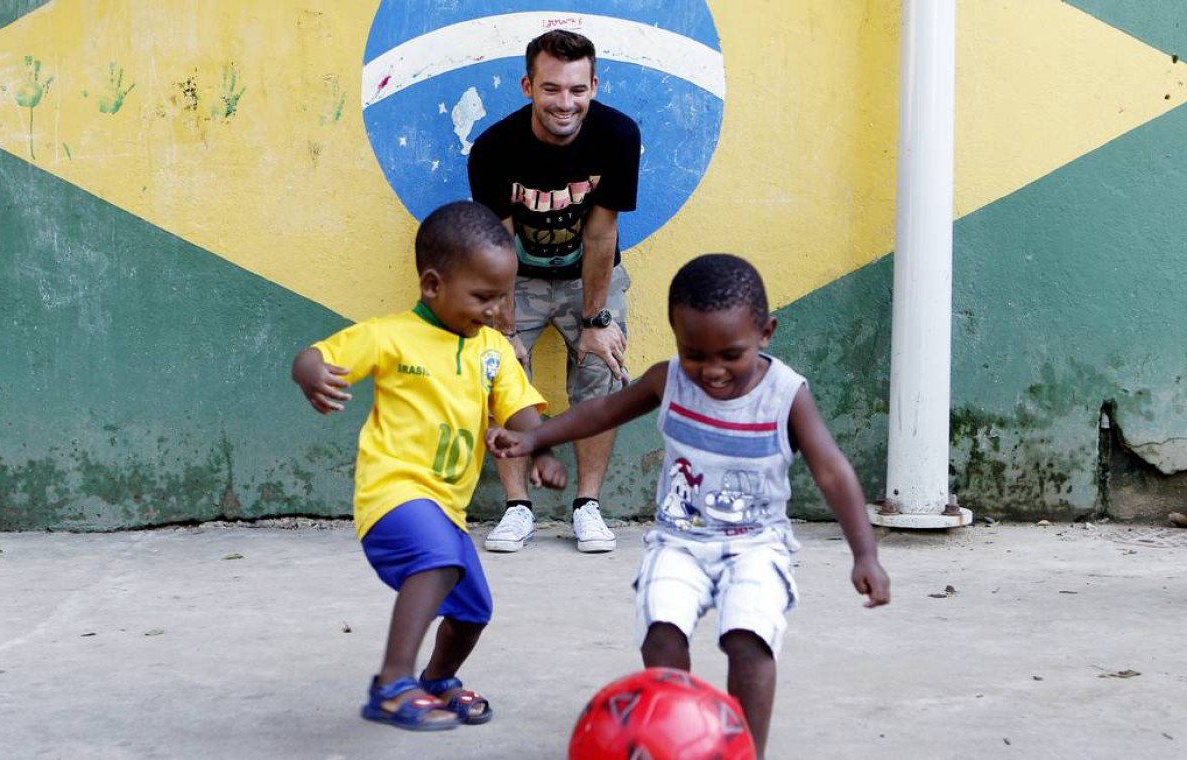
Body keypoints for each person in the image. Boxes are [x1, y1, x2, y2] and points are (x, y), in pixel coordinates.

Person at [487, 254, 891, 756]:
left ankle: (745, 751)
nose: (712, 370)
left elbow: (833, 471)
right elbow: (603, 409)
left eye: (730, 355)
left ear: (766, 333)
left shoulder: (786, 394)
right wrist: (534, 439)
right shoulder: (670, 379)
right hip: (678, 542)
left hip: (756, 545)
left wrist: (865, 553)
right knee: (661, 634)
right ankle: (673, 739)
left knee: (749, 643)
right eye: (694, 353)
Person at [291, 200, 567, 732]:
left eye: (503, 296)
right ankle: (391, 685)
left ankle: (436, 681)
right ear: (433, 285)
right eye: (483, 297)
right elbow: (316, 355)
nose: (495, 310)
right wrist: (311, 374)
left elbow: (520, 410)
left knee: (473, 610)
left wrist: (543, 450)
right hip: (393, 493)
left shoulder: (492, 350)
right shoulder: (390, 336)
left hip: (447, 509)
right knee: (438, 562)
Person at [467, 29, 641, 554]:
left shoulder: (617, 135)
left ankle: (587, 506)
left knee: (599, 379)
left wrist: (595, 321)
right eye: (551, 89)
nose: (565, 103)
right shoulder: (493, 148)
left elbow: (601, 236)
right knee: (501, 377)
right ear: (528, 87)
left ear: (594, 86)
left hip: (587, 275)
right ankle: (517, 508)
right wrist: (504, 330)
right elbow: (498, 245)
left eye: (577, 89)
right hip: (516, 276)